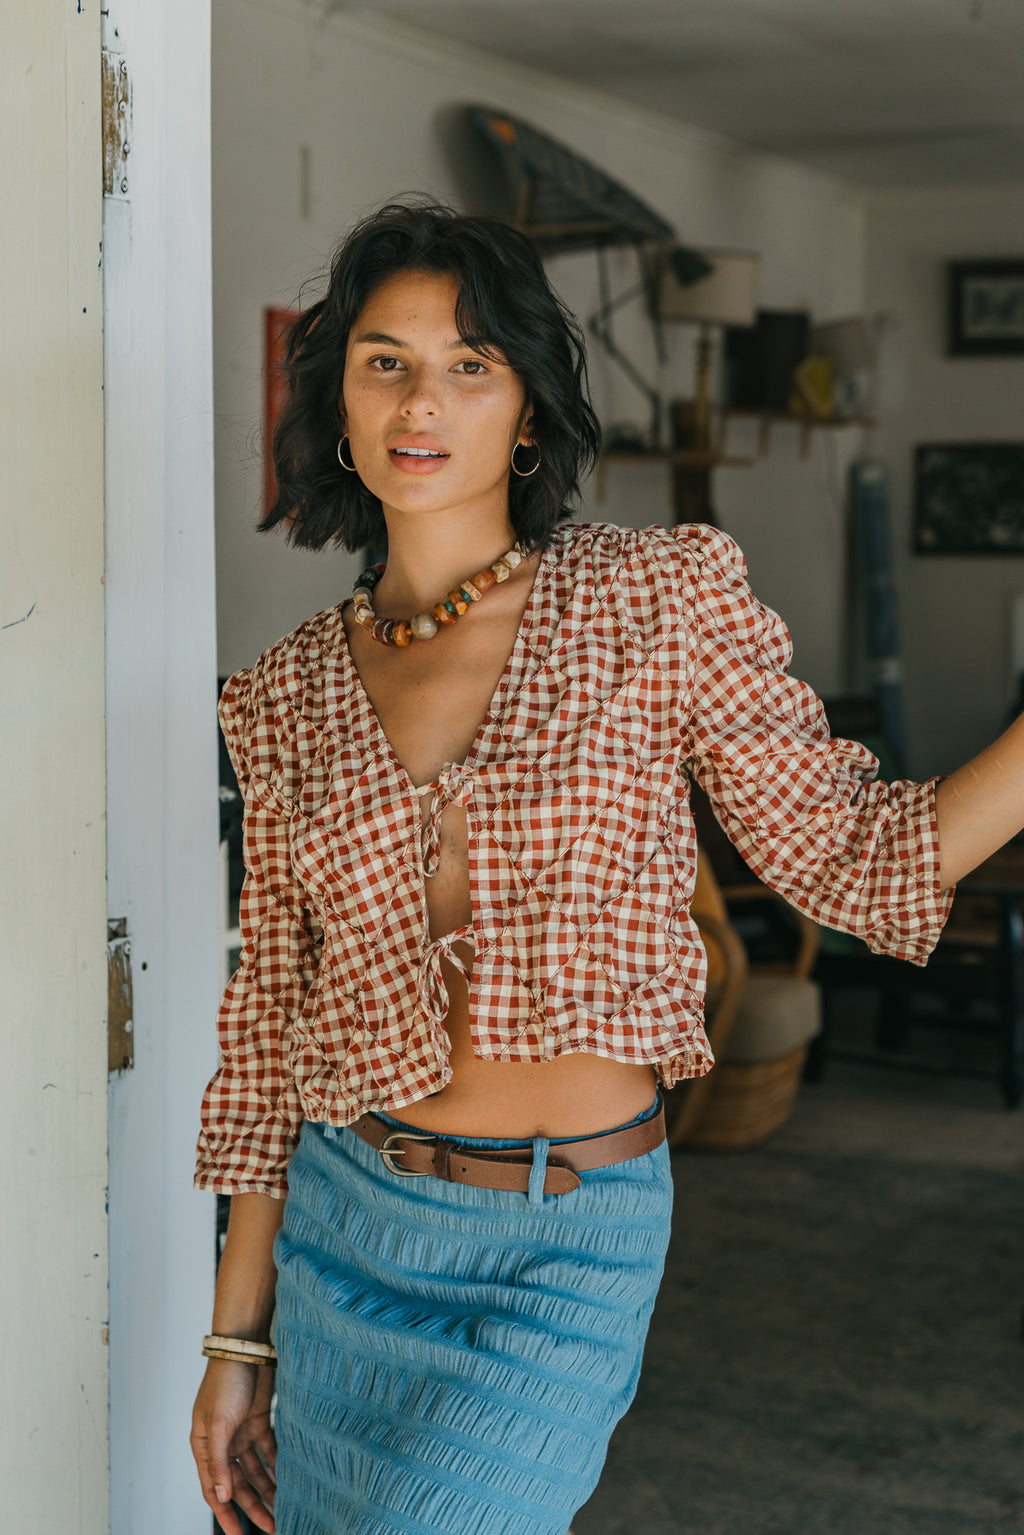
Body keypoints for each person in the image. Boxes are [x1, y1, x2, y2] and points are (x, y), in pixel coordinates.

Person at [190, 200, 1024, 1535]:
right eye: (384, 361)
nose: (424, 398)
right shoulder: (285, 695)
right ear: (336, 405)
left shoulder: (653, 598)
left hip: (559, 1249)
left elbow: (863, 860)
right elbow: (269, 1042)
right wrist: (235, 1350)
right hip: (345, 1231)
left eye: (472, 363)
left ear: (527, 412)